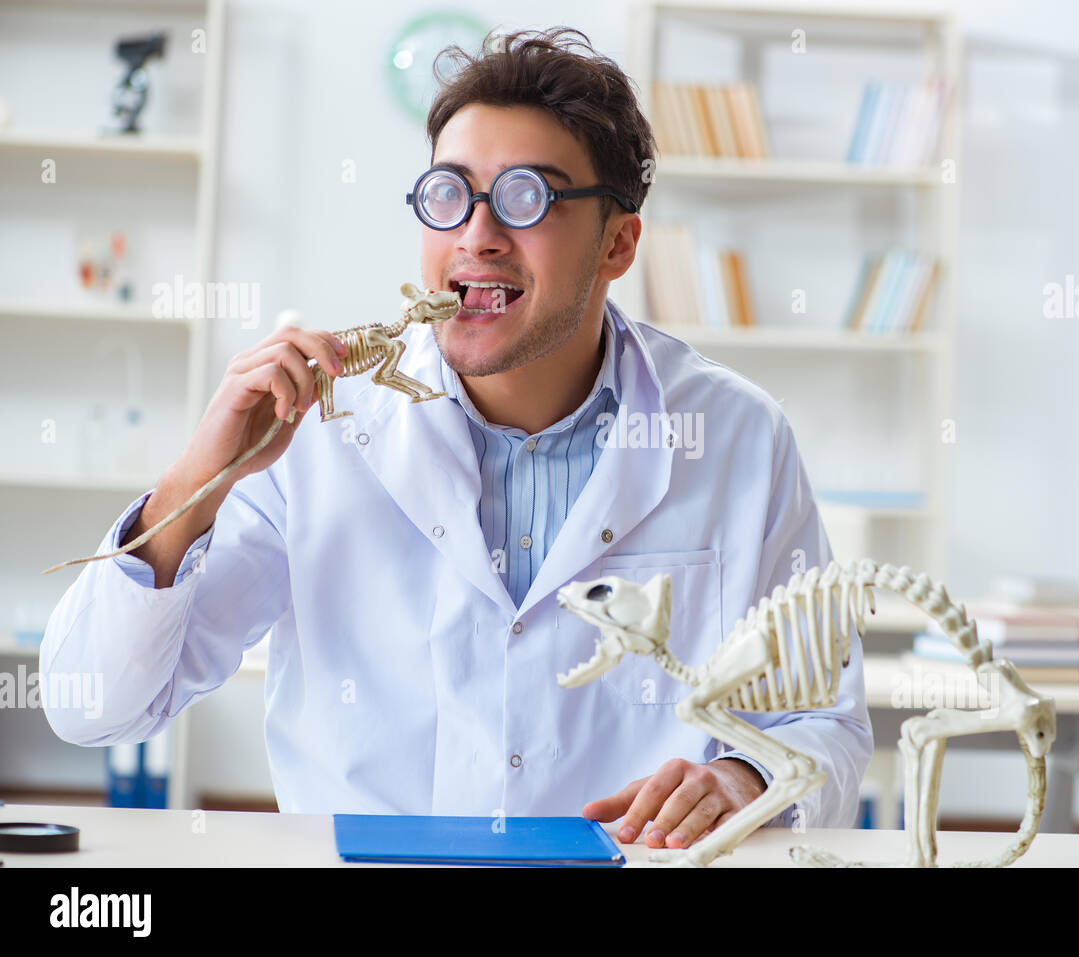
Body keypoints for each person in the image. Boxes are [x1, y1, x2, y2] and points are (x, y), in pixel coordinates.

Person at [41, 27, 871, 853]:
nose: (477, 234)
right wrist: (203, 472)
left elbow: (824, 720)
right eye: (450, 193)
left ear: (617, 243)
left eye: (526, 197)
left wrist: (745, 778)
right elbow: (95, 707)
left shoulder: (736, 437)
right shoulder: (316, 432)